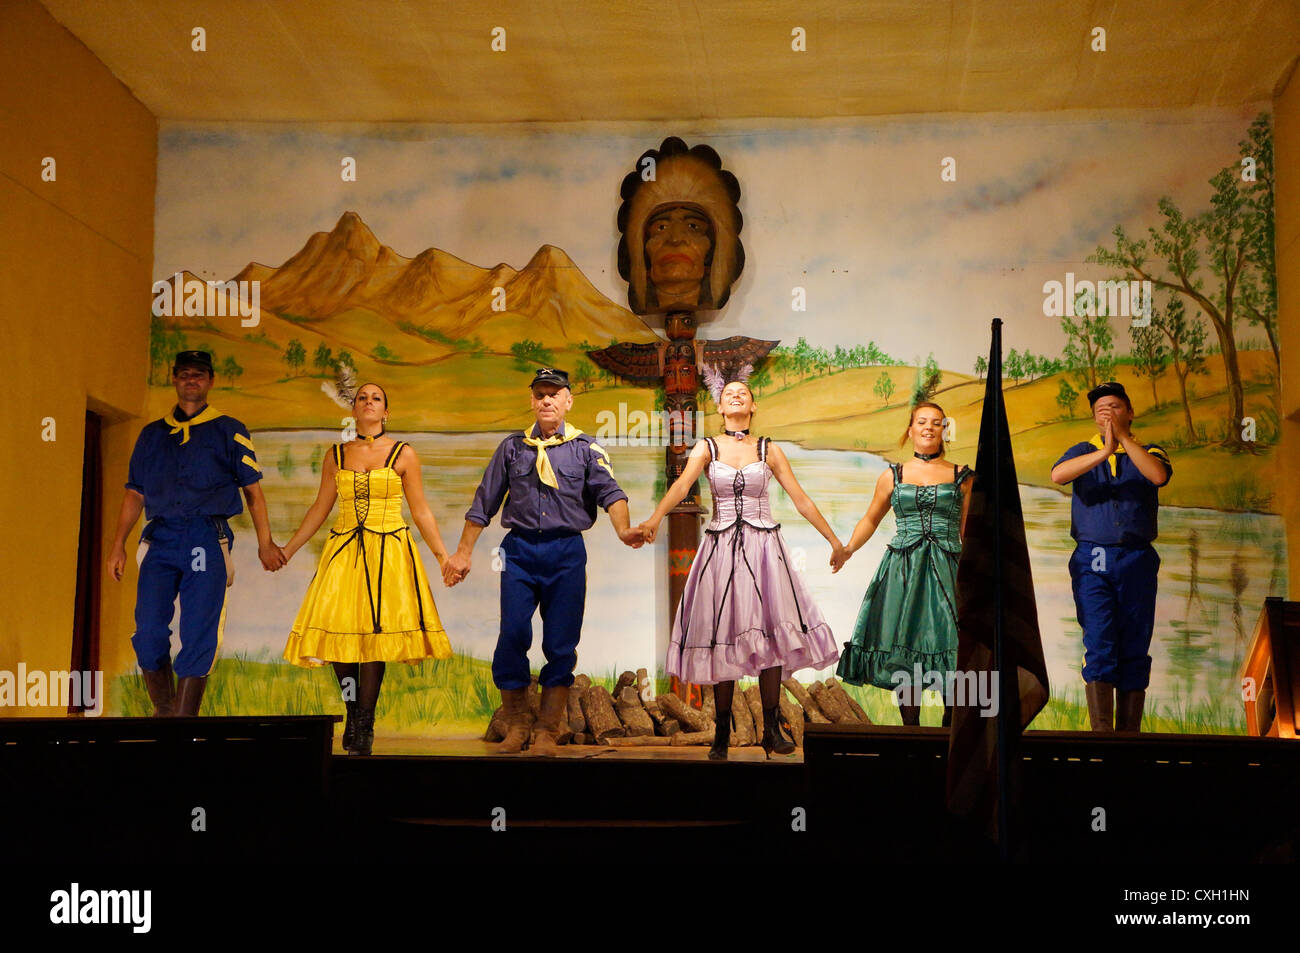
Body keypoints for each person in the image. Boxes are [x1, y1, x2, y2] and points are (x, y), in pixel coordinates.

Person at [442, 368, 645, 756]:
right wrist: (463, 552)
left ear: (568, 401)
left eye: (555, 394)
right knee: (513, 634)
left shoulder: (586, 448)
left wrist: (623, 530)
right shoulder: (513, 447)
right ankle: (517, 726)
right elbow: (484, 502)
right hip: (517, 551)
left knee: (561, 642)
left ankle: (548, 730)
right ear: (532, 401)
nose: (547, 400)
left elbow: (611, 493)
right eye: (540, 394)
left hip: (566, 551)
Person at [639, 372, 842, 760]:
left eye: (742, 393)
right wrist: (653, 520)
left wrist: (834, 541)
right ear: (719, 407)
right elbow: (682, 486)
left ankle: (770, 728)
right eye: (728, 394)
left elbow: (800, 498)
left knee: (769, 634)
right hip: (720, 550)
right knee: (724, 634)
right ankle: (721, 732)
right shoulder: (708, 447)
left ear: (752, 406)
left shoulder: (768, 449)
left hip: (764, 548)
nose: (735, 397)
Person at [108, 350, 285, 717]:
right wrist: (118, 545)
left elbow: (253, 491)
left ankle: (182, 723)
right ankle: (165, 710)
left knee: (198, 629)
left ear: (210, 381)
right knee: (149, 629)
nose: (192, 380)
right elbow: (134, 493)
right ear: (174, 379)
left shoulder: (229, 429)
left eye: (199, 374)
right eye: (185, 374)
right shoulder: (151, 435)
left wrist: (265, 542)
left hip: (206, 534)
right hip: (159, 537)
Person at [281, 383, 453, 756]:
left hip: (388, 548)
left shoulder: (403, 454)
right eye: (362, 398)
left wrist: (442, 557)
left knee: (376, 634)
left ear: (386, 412)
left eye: (376, 398)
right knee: (340, 632)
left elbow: (420, 510)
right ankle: (352, 708)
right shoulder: (337, 455)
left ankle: (365, 723)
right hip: (344, 548)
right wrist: (288, 550)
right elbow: (320, 507)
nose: (369, 403)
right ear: (354, 410)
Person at [833, 402, 973, 726]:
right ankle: (912, 735)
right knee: (904, 647)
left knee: (952, 646)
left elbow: (969, 532)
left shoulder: (962, 477)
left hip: (947, 569)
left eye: (936, 423)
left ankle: (949, 730)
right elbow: (870, 519)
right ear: (910, 430)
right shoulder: (891, 475)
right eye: (922, 422)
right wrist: (848, 548)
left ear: (944, 431)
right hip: (903, 571)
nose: (928, 427)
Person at [1050, 381, 1171, 733]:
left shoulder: (1150, 450)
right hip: (1093, 560)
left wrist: (1122, 441)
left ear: (1130, 413)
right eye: (1101, 410)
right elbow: (1058, 475)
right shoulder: (1082, 450)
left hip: (1136, 558)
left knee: (1135, 645)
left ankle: (1129, 736)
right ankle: (1102, 735)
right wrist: (1104, 450)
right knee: (1100, 642)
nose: (1108, 413)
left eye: (1115, 407)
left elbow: (1158, 475)